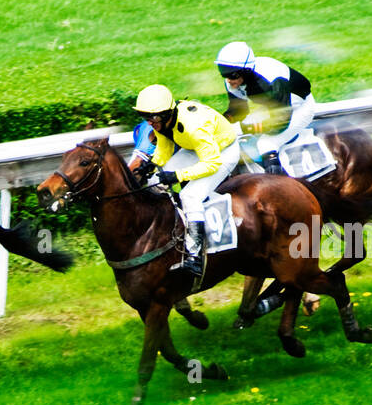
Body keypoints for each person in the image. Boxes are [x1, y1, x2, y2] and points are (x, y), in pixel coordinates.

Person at [134, 84, 240, 277]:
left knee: (190, 195)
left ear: (167, 113)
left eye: (153, 117)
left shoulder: (193, 127)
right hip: (194, 150)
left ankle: (195, 257)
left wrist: (177, 176)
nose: (149, 122)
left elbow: (211, 164)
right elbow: (164, 148)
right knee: (154, 183)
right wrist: (151, 164)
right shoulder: (162, 121)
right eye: (145, 117)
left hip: (223, 154)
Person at [215, 41, 316, 174]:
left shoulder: (272, 78)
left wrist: (245, 128)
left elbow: (280, 123)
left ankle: (283, 185)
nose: (228, 80)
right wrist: (218, 124)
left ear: (246, 71)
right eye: (224, 75)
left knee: (266, 144)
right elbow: (238, 111)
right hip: (272, 106)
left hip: (300, 108)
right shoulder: (233, 80)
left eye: (232, 76)